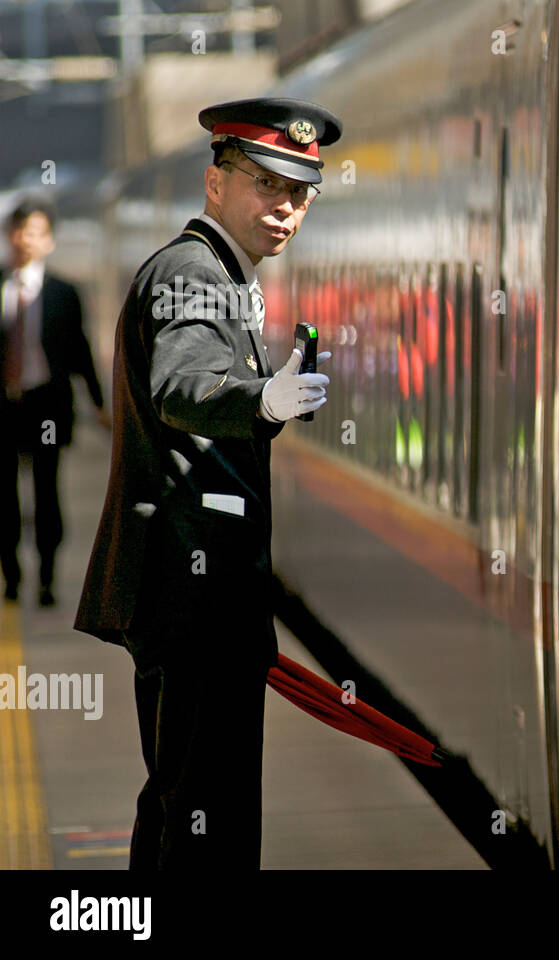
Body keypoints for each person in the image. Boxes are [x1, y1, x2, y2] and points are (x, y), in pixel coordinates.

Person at [74, 98, 341, 869]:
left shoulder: (217, 269)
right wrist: (258, 399)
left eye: (300, 195)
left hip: (195, 595)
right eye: (266, 185)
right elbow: (183, 384)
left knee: (183, 801)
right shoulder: (194, 274)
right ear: (214, 182)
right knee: (206, 814)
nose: (285, 209)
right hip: (191, 595)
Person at [0, 199, 110, 605]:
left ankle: (46, 576)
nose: (23, 240)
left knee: (47, 494)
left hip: (46, 407)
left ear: (47, 241)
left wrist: (99, 404)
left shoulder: (64, 293)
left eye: (34, 232)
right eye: (18, 231)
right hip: (5, 408)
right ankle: (11, 573)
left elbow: (79, 352)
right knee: (4, 499)